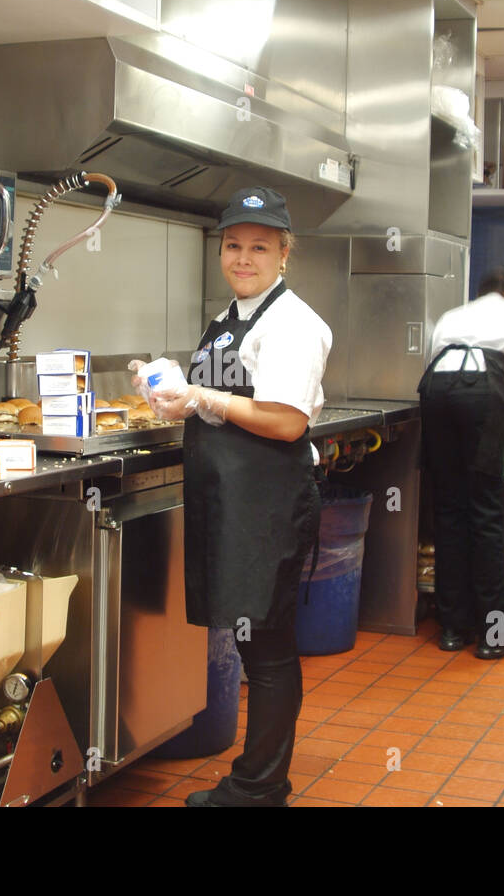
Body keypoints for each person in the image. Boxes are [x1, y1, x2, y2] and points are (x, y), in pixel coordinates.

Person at [137, 186, 331, 807]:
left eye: (259, 247)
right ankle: (258, 778)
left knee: (268, 646)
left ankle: (259, 787)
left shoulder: (292, 323)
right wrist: (172, 392)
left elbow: (284, 421)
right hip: (233, 501)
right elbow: (221, 405)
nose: (243, 258)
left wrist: (204, 399)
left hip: (268, 503)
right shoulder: (229, 320)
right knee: (254, 641)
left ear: (284, 254)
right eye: (234, 245)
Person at [419, 267, 504, 659]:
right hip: (481, 393)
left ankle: (452, 629)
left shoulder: (453, 317)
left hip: (436, 393)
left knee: (448, 509)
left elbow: (441, 371)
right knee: (484, 512)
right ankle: (495, 636)